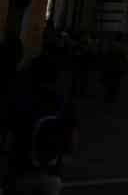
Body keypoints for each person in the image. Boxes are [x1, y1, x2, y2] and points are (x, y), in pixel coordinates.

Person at [4, 54, 77, 195]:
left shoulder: (20, 101)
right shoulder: (65, 103)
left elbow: (9, 138)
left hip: (21, 171)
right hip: (51, 172)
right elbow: (73, 140)